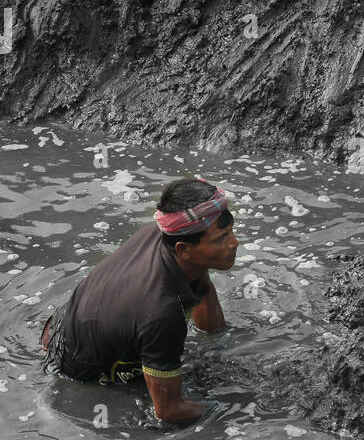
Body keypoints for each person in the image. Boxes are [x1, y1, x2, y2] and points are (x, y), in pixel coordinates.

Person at [41, 177, 238, 425]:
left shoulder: (167, 237)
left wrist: (219, 343)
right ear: (183, 249)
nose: (234, 243)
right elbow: (169, 411)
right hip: (81, 373)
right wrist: (232, 407)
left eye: (230, 232)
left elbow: (201, 283)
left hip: (65, 327)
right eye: (221, 239)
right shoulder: (161, 314)